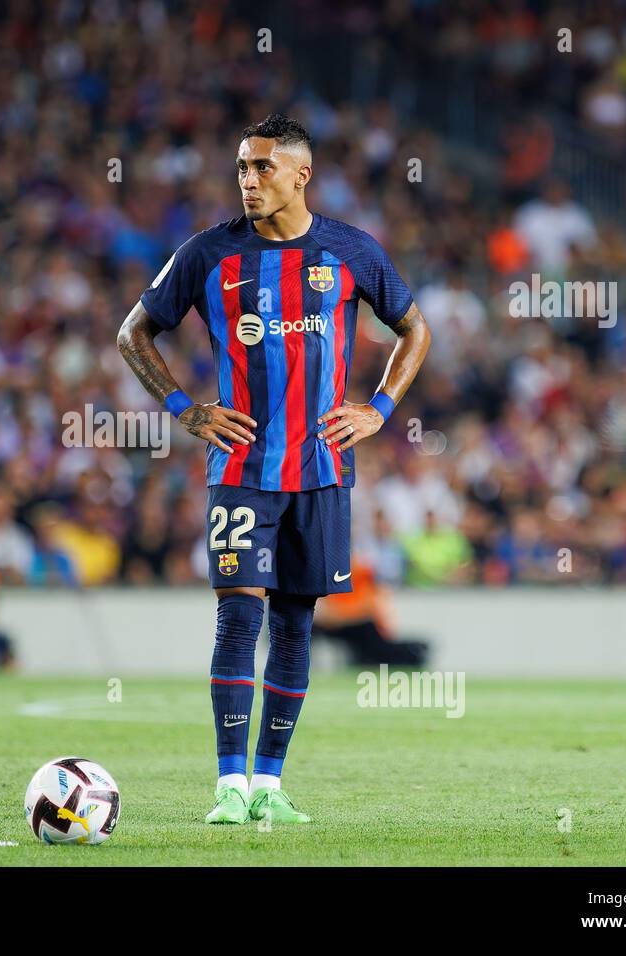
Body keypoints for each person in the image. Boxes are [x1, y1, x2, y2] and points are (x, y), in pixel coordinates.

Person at [116, 113, 430, 825]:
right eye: (241, 168)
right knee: (237, 618)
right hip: (241, 468)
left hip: (321, 471)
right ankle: (228, 785)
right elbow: (132, 332)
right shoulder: (208, 254)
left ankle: (269, 785)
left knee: (294, 626)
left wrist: (379, 407)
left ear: (301, 174)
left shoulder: (351, 251)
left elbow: (416, 329)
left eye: (262, 167)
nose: (248, 180)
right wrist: (182, 407)